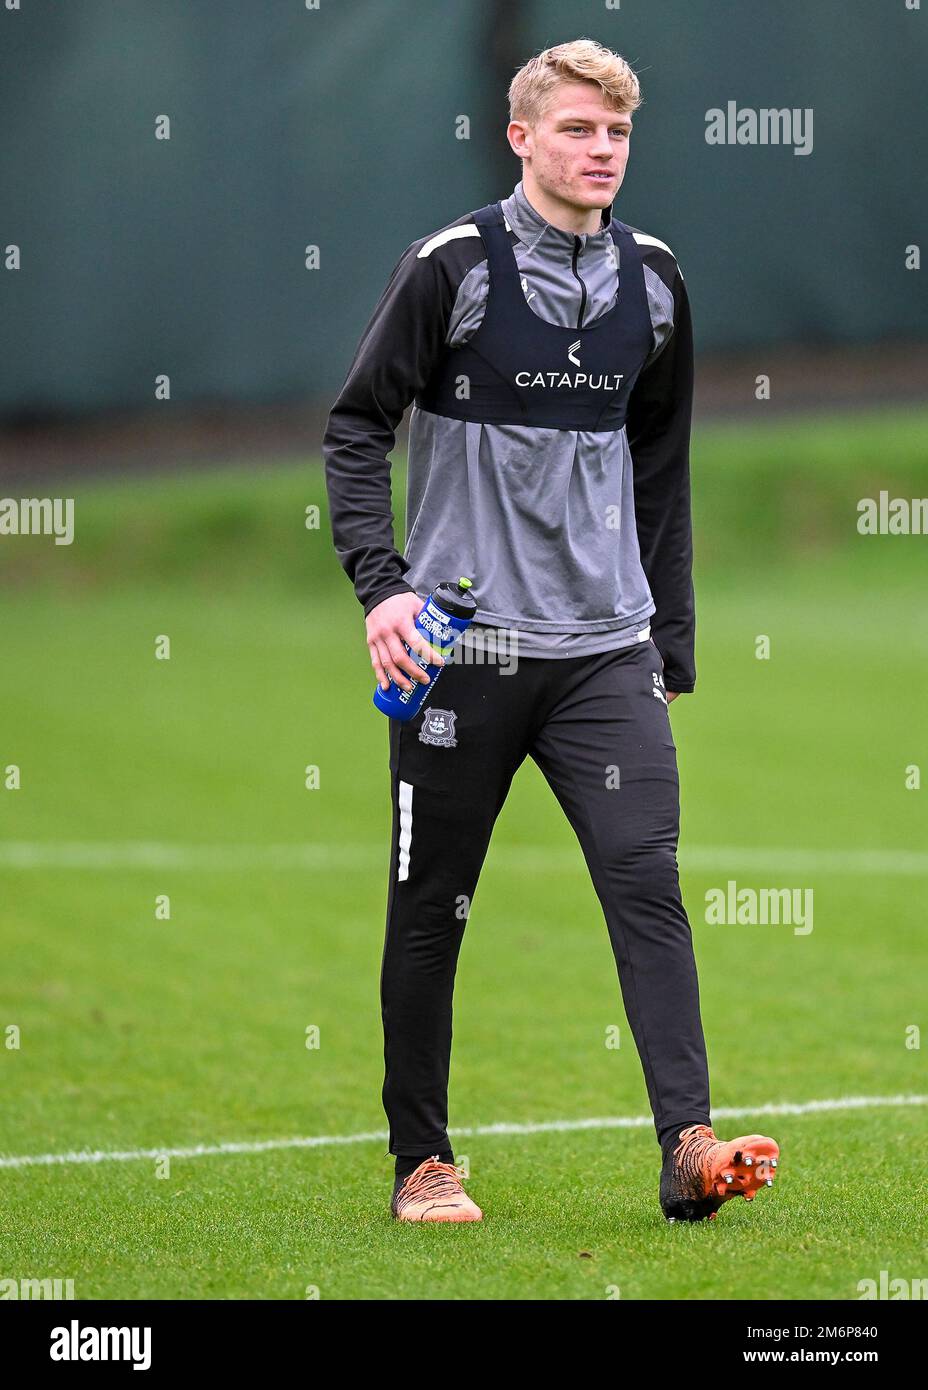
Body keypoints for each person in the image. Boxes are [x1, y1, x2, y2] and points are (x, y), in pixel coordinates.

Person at [323, 38, 780, 1224]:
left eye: (617, 132)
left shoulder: (658, 283)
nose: (600, 151)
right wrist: (384, 589)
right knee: (433, 905)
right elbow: (355, 429)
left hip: (603, 655)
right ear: (521, 136)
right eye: (577, 129)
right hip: (461, 650)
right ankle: (421, 1162)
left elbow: (662, 473)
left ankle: (689, 1148)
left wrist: (667, 647)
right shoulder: (451, 268)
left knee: (647, 884)